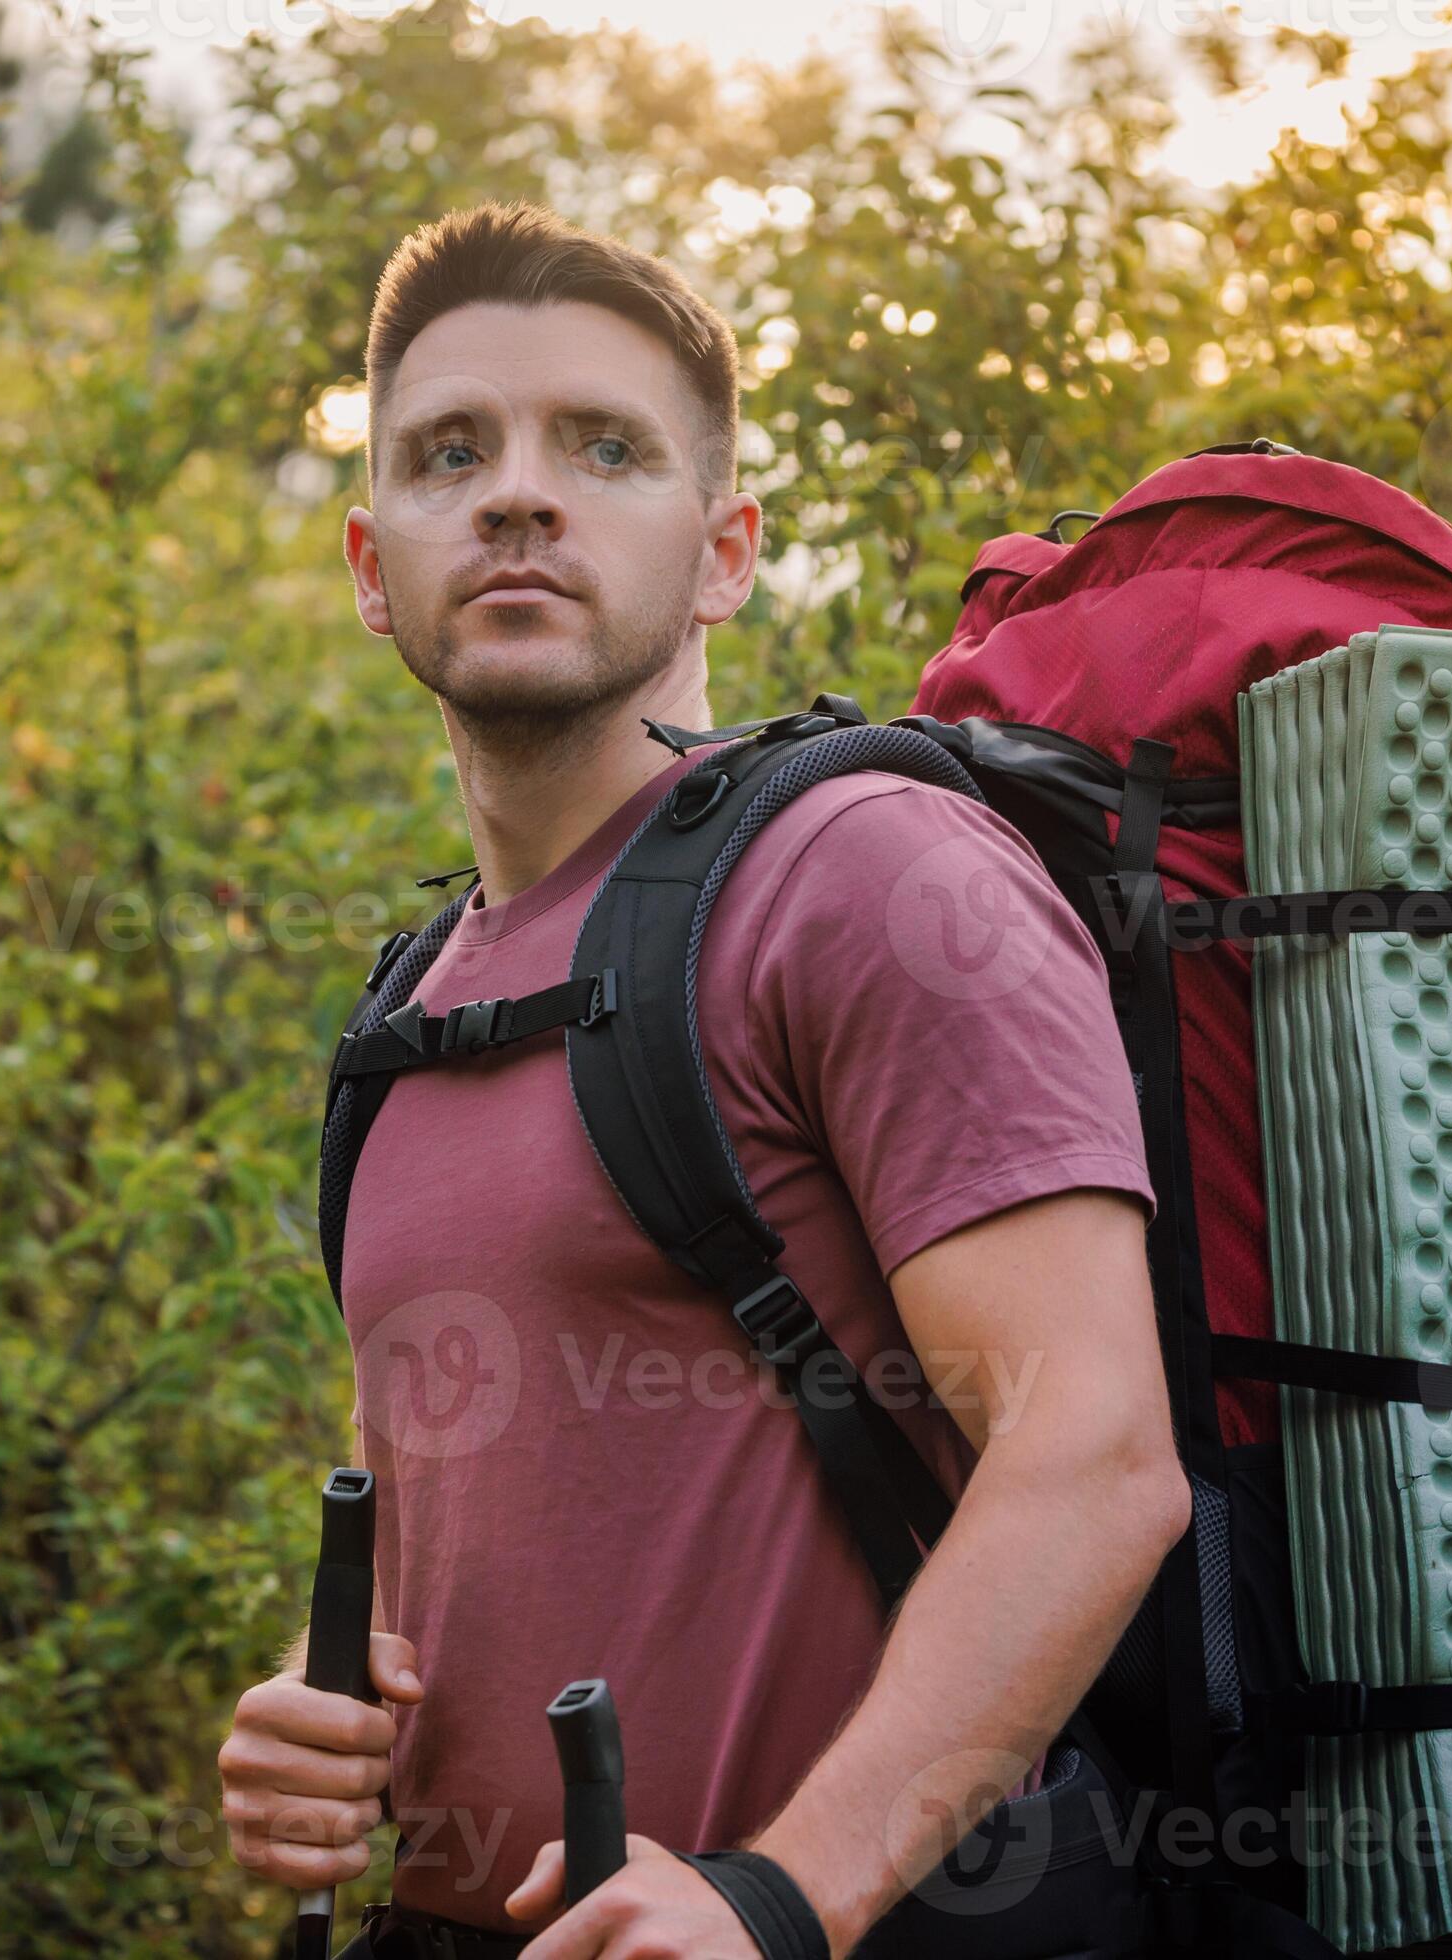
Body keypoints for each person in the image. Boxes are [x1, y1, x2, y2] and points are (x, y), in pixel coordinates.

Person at [221, 203, 1187, 1960]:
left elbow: (1099, 1456)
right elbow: (501, 1509)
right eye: (453, 453)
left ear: (727, 550)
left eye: (604, 447)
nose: (520, 494)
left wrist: (780, 1896)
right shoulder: (413, 1006)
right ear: (373, 565)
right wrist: (323, 1710)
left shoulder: (867, 874)